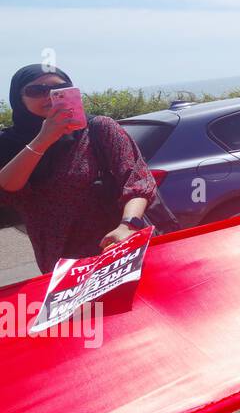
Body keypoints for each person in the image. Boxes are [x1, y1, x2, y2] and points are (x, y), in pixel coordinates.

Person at [0, 65, 157, 274]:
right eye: (36, 91)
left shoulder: (99, 129)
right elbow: (8, 188)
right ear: (18, 98)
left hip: (115, 244)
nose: (49, 96)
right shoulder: (8, 143)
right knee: (85, 309)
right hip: (57, 259)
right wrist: (45, 137)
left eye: (60, 88)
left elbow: (138, 181)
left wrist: (128, 225)